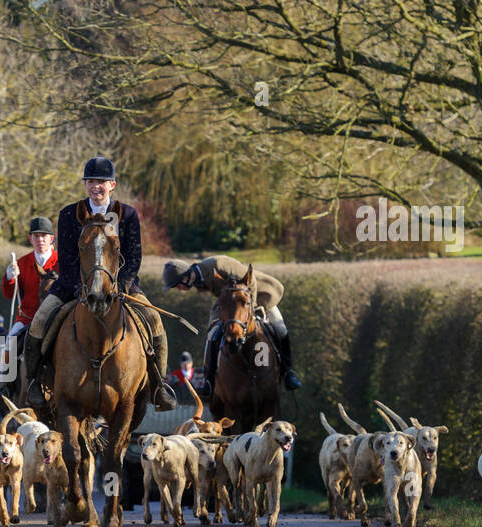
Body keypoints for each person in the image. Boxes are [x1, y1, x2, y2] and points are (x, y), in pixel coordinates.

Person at [21, 157, 177, 411]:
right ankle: (34, 382)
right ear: (85, 185)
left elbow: (134, 255)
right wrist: (77, 287)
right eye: (91, 181)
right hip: (74, 284)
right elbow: (68, 258)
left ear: (112, 185)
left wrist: (122, 284)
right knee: (39, 321)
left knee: (154, 320)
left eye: (102, 182)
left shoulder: (127, 214)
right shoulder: (69, 214)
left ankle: (160, 386)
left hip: (120, 285)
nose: (96, 186)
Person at [162, 255, 302, 397]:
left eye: (177, 284)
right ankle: (209, 380)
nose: (178, 289)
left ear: (186, 277)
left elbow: (250, 277)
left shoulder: (219, 264)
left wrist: (251, 308)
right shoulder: (198, 279)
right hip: (231, 302)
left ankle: (288, 373)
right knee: (212, 333)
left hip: (258, 293)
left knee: (280, 327)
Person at [2, 216, 58, 341]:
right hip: (27, 318)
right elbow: (9, 294)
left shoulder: (62, 262)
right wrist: (9, 278)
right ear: (30, 239)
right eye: (36, 236)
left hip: (56, 318)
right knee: (8, 346)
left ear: (51, 239)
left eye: (44, 235)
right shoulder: (21, 263)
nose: (40, 240)